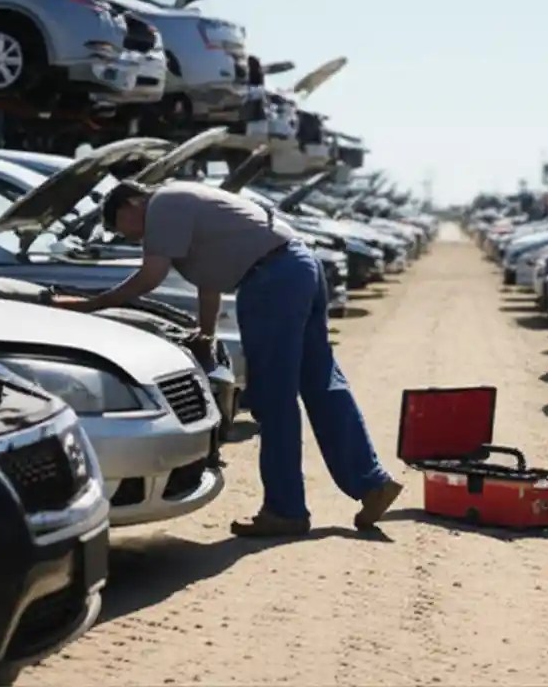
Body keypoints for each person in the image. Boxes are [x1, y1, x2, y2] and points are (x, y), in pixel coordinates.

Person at [51, 179, 403, 537]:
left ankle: (286, 509)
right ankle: (371, 482)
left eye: (120, 229)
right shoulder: (188, 201)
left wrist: (90, 305)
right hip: (298, 265)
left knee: (274, 397)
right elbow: (209, 280)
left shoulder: (162, 206)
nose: (129, 239)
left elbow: (149, 278)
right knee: (321, 381)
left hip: (271, 282)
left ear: (129, 205)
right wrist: (207, 334)